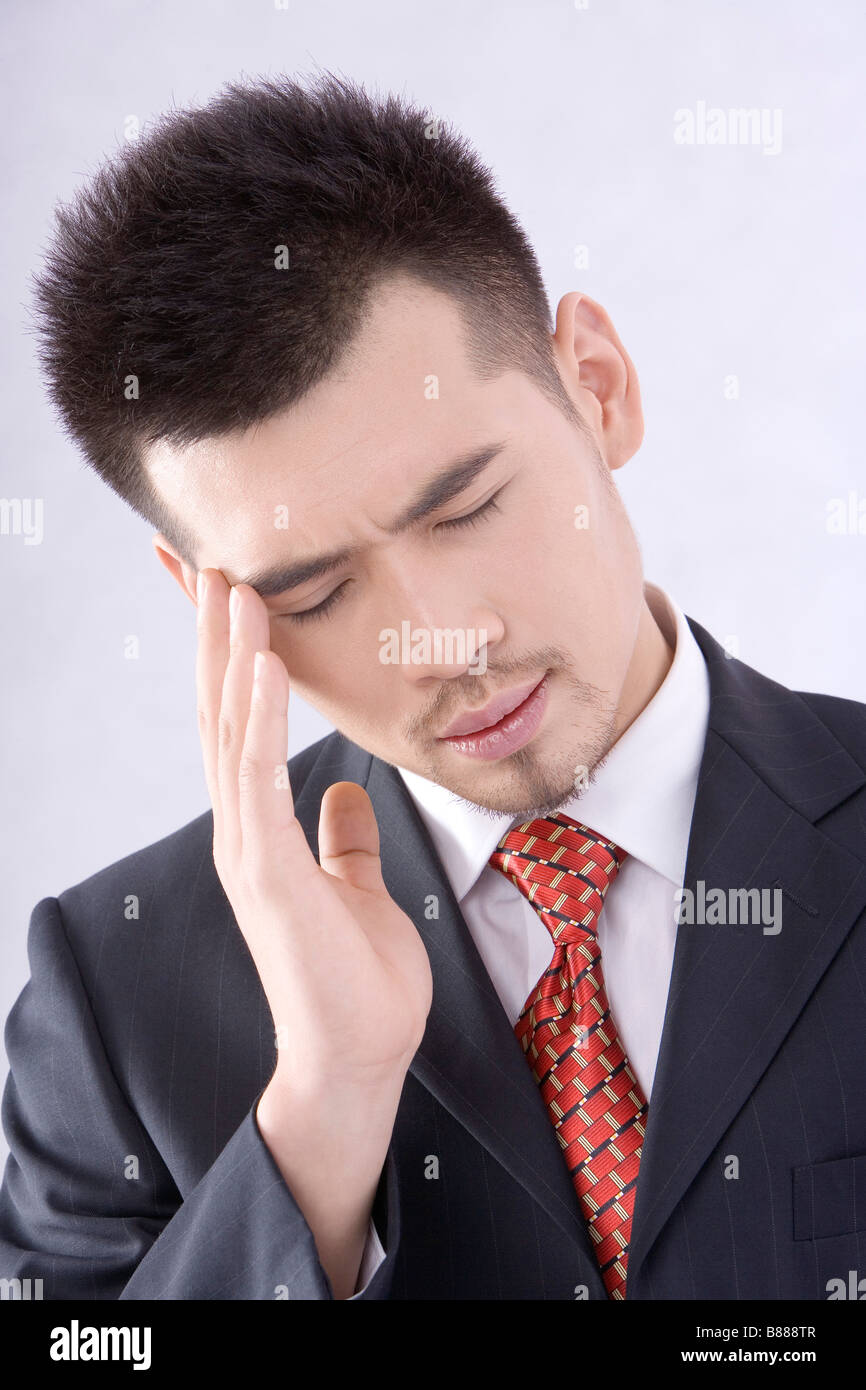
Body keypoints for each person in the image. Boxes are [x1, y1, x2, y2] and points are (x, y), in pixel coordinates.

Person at [2, 70, 864, 1303]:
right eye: (310, 596)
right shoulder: (113, 994)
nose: (439, 641)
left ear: (596, 387)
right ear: (206, 603)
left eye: (466, 507)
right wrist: (319, 1122)